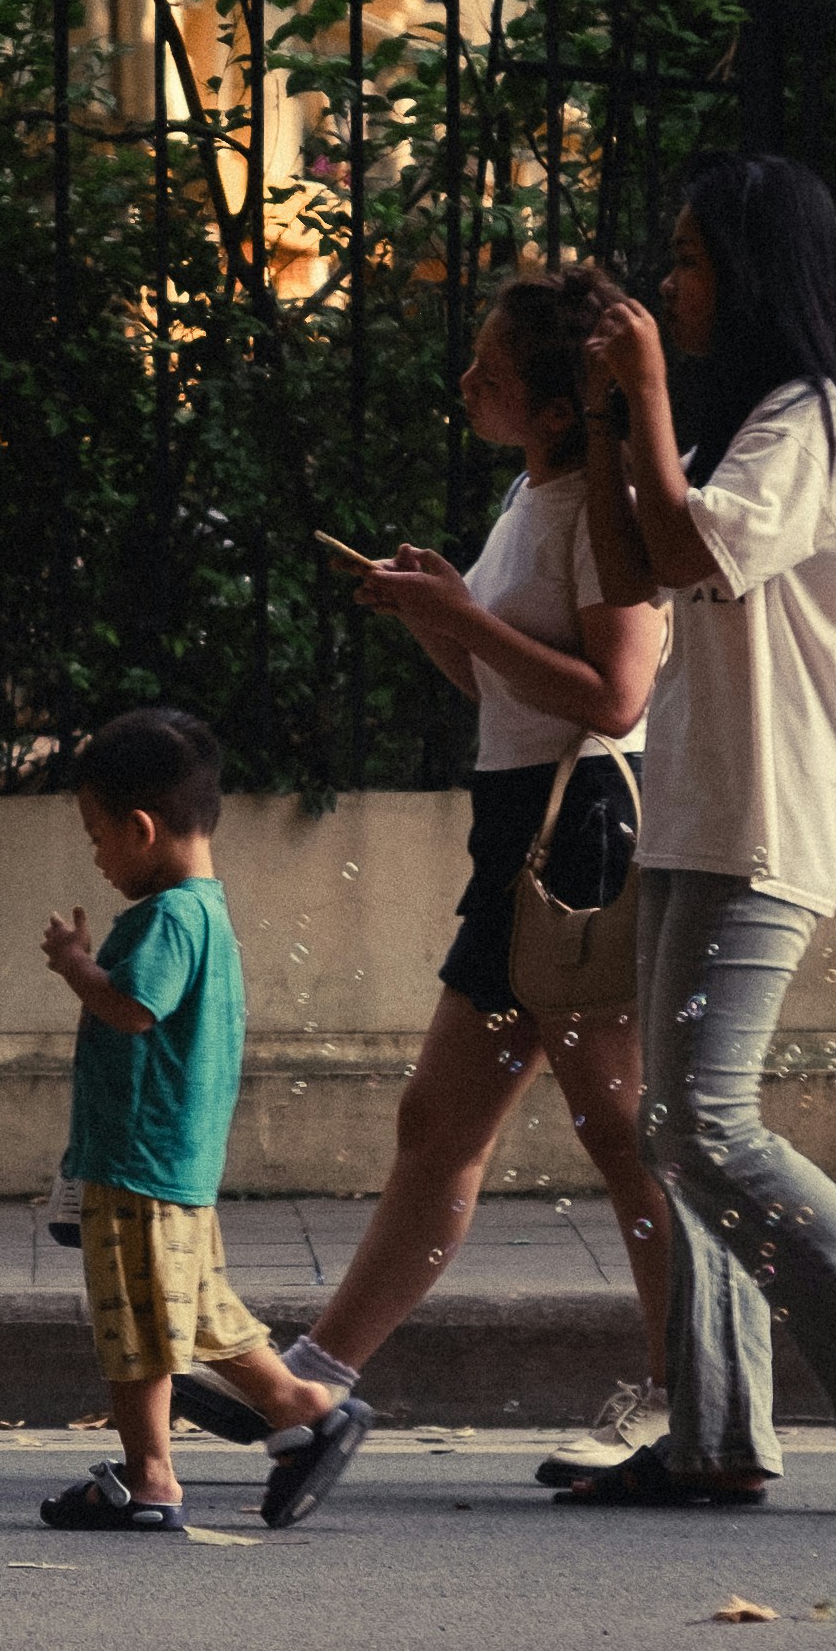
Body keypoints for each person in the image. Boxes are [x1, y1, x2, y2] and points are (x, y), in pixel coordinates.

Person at [559, 154, 836, 1507]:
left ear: (754, 273)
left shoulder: (819, 421)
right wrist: (605, 423)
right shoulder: (749, 424)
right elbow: (637, 563)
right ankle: (714, 1436)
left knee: (702, 1116)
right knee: (671, 1126)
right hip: (701, 805)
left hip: (767, 813)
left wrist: (641, 399)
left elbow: (700, 551)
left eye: (692, 259)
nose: (668, 282)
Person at [168, 269, 669, 1453]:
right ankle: (310, 1378)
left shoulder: (602, 507)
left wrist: (458, 615)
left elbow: (617, 694)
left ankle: (684, 1388)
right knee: (442, 1122)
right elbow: (505, 683)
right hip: (526, 827)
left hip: (578, 832)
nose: (463, 383)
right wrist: (436, 616)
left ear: (554, 407)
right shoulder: (528, 494)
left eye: (489, 373)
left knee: (616, 1127)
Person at [36, 706, 371, 1534]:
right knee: (195, 1308)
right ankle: (300, 1406)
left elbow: (132, 1009)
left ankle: (151, 1478)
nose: (96, 855)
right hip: (164, 1158)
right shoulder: (203, 912)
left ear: (141, 827)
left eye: (96, 835)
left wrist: (77, 966)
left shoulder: (167, 919)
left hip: (141, 1160)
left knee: (134, 1326)